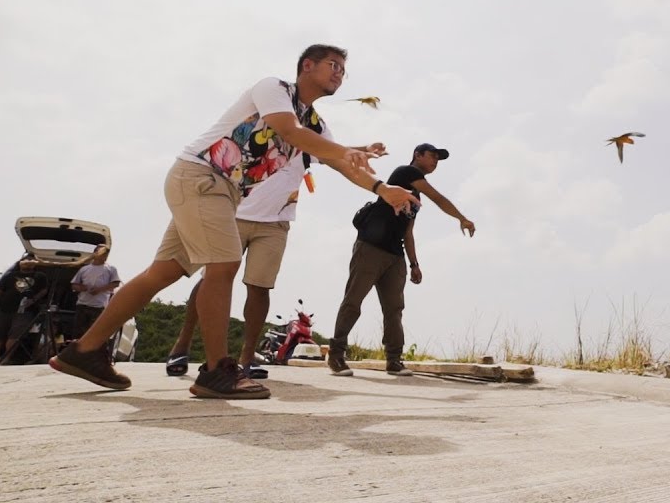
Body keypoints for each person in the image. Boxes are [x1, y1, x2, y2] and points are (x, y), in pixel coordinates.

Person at [49, 44, 418, 399]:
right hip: (201, 177)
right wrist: (347, 152)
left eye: (343, 69)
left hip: (219, 191)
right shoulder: (274, 89)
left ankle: (85, 351)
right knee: (224, 265)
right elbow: (288, 132)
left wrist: (381, 188)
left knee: (161, 274)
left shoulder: (315, 124)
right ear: (307, 65)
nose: (340, 73)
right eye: (332, 65)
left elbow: (338, 160)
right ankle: (216, 371)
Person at [164, 89, 389, 380]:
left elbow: (334, 153)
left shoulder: (312, 132)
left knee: (259, 287)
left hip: (275, 222)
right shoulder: (271, 121)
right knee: (212, 280)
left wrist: (364, 155)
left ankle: (247, 358)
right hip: (234, 212)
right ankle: (181, 344)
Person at [327, 143, 475, 377]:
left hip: (395, 255)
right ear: (418, 155)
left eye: (439, 158)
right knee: (353, 301)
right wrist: (462, 218)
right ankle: (336, 355)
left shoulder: (414, 197)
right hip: (371, 247)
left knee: (394, 309)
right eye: (432, 156)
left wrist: (414, 264)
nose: (435, 161)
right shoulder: (405, 173)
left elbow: (408, 232)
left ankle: (394, 360)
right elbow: (437, 197)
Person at [0, 255, 48, 365]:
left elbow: (44, 290)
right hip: (3, 310)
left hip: (25, 312)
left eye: (30, 260)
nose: (27, 262)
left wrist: (33, 300)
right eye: (25, 260)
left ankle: (5, 360)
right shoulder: (9, 276)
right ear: (20, 263)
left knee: (15, 335)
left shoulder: (40, 276)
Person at [69, 244, 121, 350]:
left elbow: (115, 283)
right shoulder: (84, 269)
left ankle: (96, 356)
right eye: (102, 253)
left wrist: (99, 289)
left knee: (97, 334)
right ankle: (76, 356)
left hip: (99, 306)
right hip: (82, 305)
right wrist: (83, 288)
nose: (104, 256)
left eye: (106, 254)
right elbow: (74, 284)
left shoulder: (110, 269)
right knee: (79, 333)